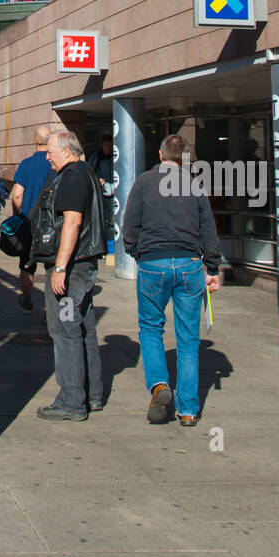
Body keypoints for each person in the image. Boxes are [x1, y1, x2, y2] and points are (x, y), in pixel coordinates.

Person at [122, 134, 223, 426]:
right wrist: (212, 268)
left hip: (154, 261)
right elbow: (208, 228)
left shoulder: (143, 182)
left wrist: (138, 252)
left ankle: (159, 385)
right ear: (185, 158)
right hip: (190, 264)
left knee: (151, 327)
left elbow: (130, 225)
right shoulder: (195, 184)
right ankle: (189, 410)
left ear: (160, 154)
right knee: (188, 338)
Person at [36, 128, 107, 422]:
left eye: (50, 153)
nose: (48, 158)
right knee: (83, 329)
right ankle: (91, 395)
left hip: (72, 267)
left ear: (66, 151)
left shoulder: (73, 176)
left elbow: (73, 222)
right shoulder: (86, 173)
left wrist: (61, 267)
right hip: (83, 265)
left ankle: (71, 400)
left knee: (65, 331)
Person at [9, 125, 52, 312]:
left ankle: (27, 299)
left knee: (27, 265)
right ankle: (52, 307)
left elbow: (17, 195)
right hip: (52, 223)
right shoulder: (56, 163)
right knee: (53, 265)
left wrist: (17, 216)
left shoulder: (26, 164)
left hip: (29, 222)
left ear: (35, 142)